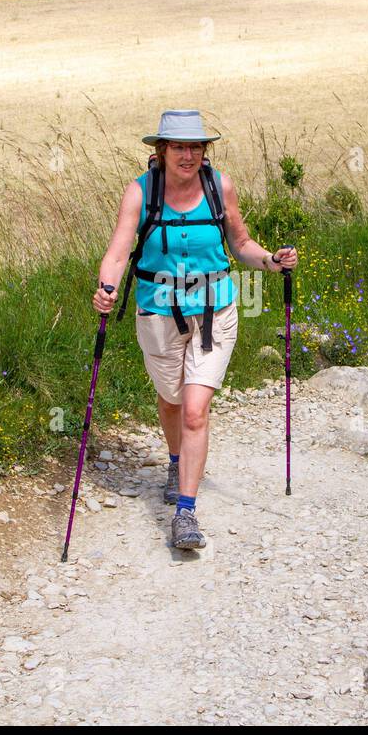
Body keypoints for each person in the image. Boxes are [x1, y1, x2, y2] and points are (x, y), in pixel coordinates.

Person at [93, 110, 297, 550]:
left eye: (196, 147)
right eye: (180, 147)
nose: (189, 155)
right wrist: (106, 288)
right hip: (158, 313)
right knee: (170, 399)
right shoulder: (140, 193)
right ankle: (175, 460)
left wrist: (270, 261)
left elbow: (240, 244)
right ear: (161, 150)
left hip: (215, 311)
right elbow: (118, 250)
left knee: (193, 409)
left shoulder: (218, 186)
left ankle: (185, 512)